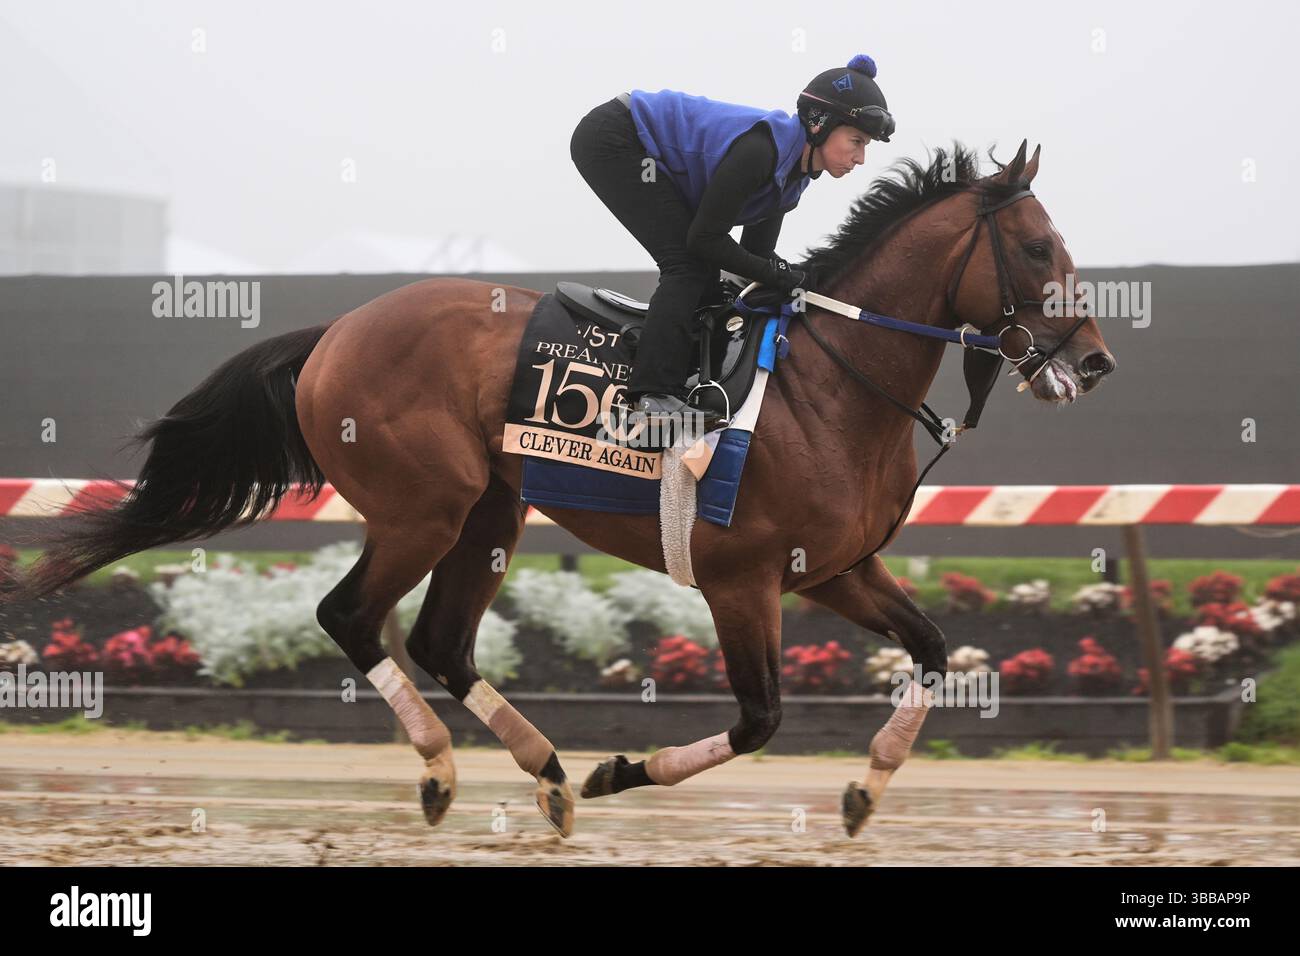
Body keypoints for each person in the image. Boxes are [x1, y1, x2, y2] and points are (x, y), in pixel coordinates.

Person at [568, 53, 895, 438]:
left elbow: (753, 259)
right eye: (856, 141)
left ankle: (680, 375)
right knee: (688, 265)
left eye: (866, 145)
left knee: (703, 277)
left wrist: (807, 278)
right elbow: (706, 240)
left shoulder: (794, 180)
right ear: (820, 126)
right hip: (614, 136)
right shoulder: (761, 152)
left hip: (642, 145)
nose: (860, 158)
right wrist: (784, 274)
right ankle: (651, 397)